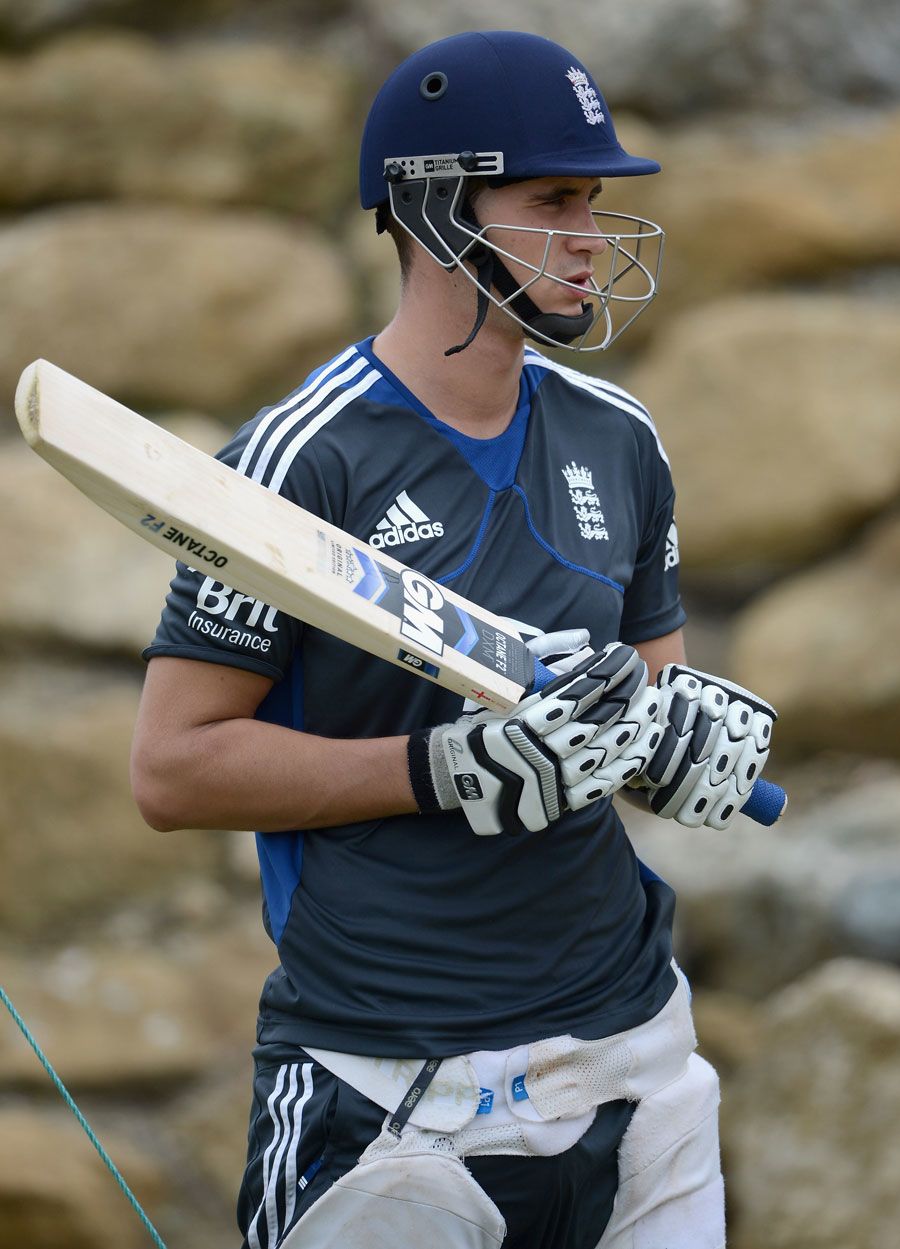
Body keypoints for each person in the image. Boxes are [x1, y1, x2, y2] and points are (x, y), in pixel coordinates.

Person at [130, 30, 776, 1249]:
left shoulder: (621, 439)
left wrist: (671, 740)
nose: (590, 234)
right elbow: (173, 768)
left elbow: (644, 697)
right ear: (432, 207)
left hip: (636, 1058)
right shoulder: (300, 460)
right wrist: (438, 770)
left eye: (595, 201)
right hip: (393, 1089)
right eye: (553, 200)